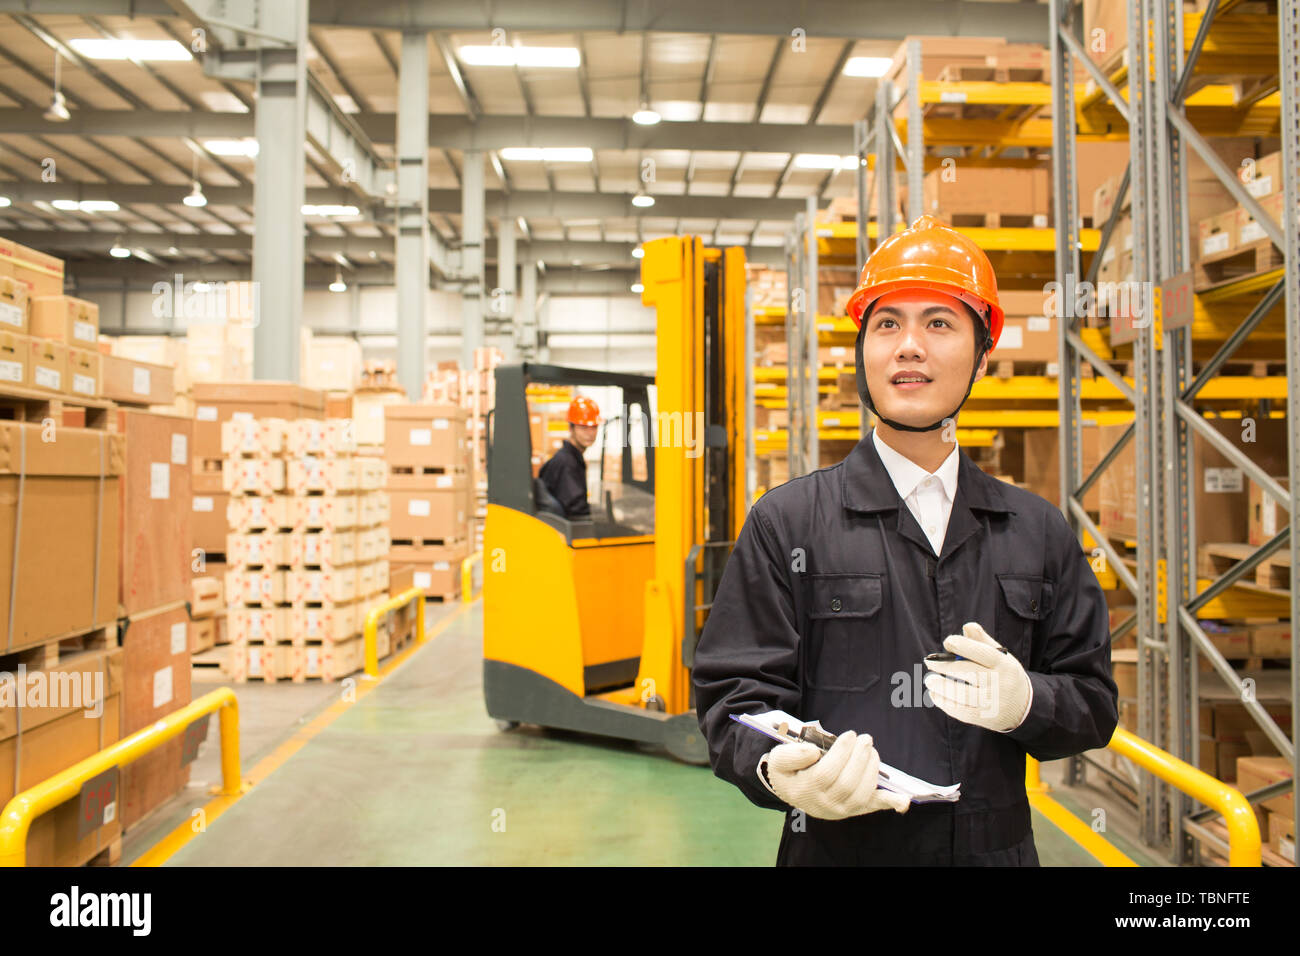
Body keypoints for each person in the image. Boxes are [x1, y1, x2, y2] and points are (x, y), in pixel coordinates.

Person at [692, 215, 1118, 866]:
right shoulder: (789, 522)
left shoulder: (1036, 531)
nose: (909, 346)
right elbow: (733, 699)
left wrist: (1027, 702)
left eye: (938, 323)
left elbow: (1092, 703)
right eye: (887, 323)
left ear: (982, 353)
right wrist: (780, 770)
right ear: (864, 352)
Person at [538, 395, 600, 519]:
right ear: (570, 428)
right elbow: (576, 509)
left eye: (593, 427)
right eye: (583, 427)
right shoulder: (566, 462)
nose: (590, 433)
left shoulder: (572, 458)